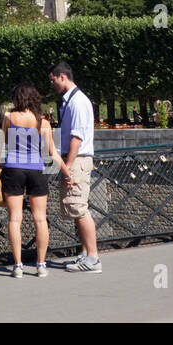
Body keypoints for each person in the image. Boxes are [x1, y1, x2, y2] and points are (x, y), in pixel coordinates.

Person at [0, 83, 60, 278]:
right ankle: (41, 264)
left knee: (15, 219)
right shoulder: (43, 121)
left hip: (14, 168)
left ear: (17, 99)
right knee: (40, 218)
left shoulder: (8, 117)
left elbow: (2, 145)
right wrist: (67, 172)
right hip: (36, 169)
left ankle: (18, 266)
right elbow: (52, 152)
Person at [50, 61, 99, 273]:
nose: (51, 85)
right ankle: (87, 253)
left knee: (79, 209)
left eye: (52, 80)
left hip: (77, 160)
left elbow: (77, 137)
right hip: (76, 159)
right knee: (77, 207)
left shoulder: (77, 102)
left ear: (62, 76)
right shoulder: (72, 101)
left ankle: (93, 258)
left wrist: (67, 167)